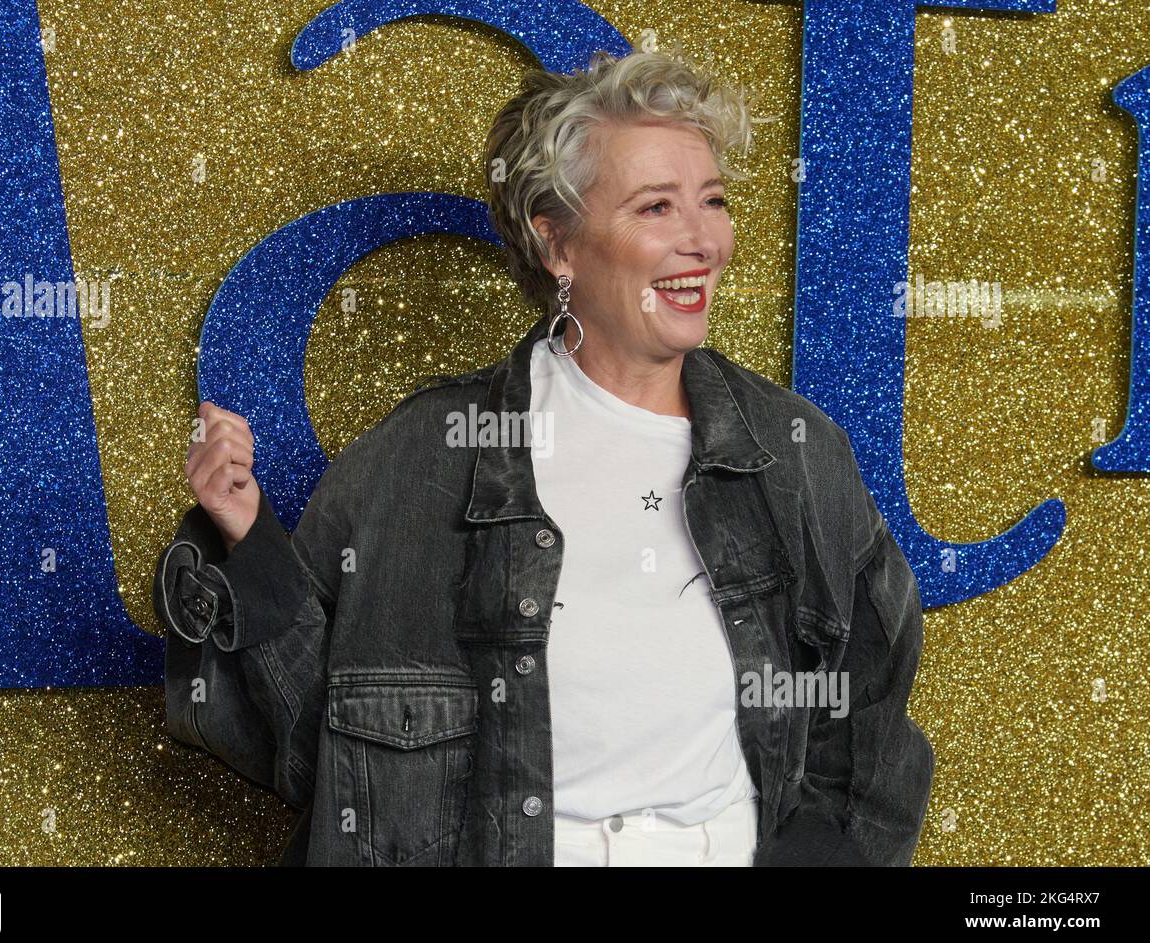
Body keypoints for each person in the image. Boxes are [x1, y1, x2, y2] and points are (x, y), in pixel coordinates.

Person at [153, 46, 934, 866]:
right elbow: (317, 747)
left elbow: (868, 717)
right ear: (556, 242)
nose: (702, 239)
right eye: (656, 208)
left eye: (712, 200)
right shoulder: (424, 456)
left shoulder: (795, 450)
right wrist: (246, 540)